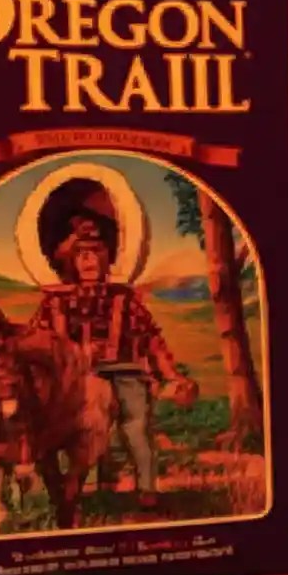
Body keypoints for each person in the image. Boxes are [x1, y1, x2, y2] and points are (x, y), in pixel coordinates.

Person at [30, 212, 198, 509]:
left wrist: (172, 376)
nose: (89, 261)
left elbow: (152, 340)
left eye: (96, 253)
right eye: (81, 255)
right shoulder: (53, 303)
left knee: (135, 426)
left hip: (125, 373)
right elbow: (36, 342)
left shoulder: (125, 299)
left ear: (107, 258)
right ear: (70, 261)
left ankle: (147, 489)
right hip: (76, 381)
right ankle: (70, 490)